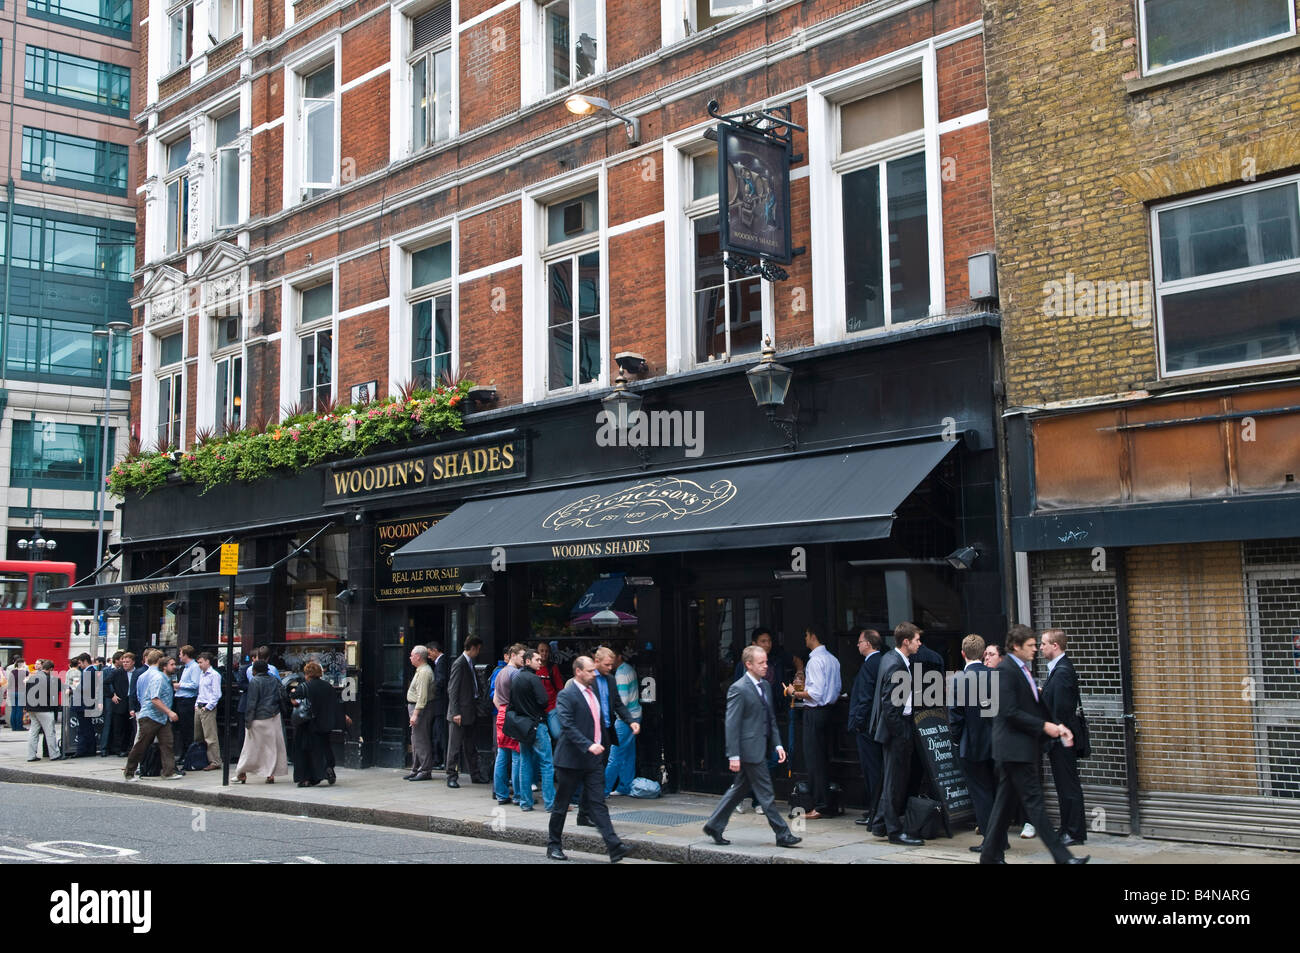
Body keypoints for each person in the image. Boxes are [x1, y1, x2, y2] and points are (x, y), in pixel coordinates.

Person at [979, 625, 1088, 865]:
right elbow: (1008, 712)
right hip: (1013, 748)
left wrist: (1057, 728)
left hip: (1018, 748)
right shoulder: (1006, 670)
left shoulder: (1022, 670)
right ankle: (1063, 858)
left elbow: (1035, 706)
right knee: (1035, 804)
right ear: (1016, 646)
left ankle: (988, 856)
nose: (1036, 649)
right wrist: (1046, 727)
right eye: (1030, 645)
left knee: (1002, 807)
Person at [702, 644, 802, 848]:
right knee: (766, 793)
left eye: (766, 661)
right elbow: (732, 723)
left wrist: (778, 745)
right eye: (761, 663)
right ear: (748, 664)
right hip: (748, 750)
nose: (766, 666)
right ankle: (782, 833)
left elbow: (770, 718)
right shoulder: (738, 688)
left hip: (760, 746)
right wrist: (733, 755)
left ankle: (714, 825)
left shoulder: (764, 685)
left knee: (738, 790)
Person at [546, 656, 630, 863]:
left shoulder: (592, 693)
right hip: (570, 760)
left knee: (598, 803)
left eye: (594, 670)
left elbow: (599, 721)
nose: (594, 674)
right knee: (561, 804)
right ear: (578, 672)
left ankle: (614, 846)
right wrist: (588, 744)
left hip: (593, 760)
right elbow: (567, 725)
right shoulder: (567, 694)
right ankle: (553, 845)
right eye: (590, 671)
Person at [871, 622, 924, 845]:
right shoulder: (896, 665)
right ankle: (894, 831)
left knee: (891, 779)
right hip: (897, 730)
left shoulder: (890, 659)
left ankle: (880, 823)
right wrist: (902, 733)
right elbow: (890, 706)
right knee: (895, 782)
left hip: (896, 727)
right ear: (906, 641)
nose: (920, 643)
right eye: (917, 640)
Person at [949, 634, 1000, 852]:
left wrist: (955, 740)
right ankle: (1000, 838)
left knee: (981, 793)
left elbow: (956, 717)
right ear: (983, 654)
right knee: (996, 791)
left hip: (971, 745)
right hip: (997, 743)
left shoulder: (959, 680)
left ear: (963, 654)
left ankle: (991, 840)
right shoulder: (996, 676)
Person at [580, 646, 640, 825]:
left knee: (596, 773)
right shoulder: (588, 680)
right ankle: (590, 812)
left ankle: (585, 813)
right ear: (596, 661)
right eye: (607, 664)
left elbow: (618, 704)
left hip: (607, 731)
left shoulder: (612, 680)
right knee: (593, 774)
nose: (610, 667)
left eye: (612, 665)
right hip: (591, 734)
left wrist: (630, 721)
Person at [786, 627, 840, 818]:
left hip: (815, 711)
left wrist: (793, 692)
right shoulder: (833, 659)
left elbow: (815, 693)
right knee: (822, 758)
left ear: (813, 636)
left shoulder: (815, 661)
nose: (805, 638)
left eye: (806, 635)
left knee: (814, 760)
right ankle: (824, 802)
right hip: (829, 711)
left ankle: (820, 805)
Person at [1041, 628, 1087, 846]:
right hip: (1060, 737)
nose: (1040, 648)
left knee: (1068, 785)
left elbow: (1061, 710)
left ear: (1055, 646)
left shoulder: (1062, 671)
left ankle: (1074, 832)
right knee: (1063, 784)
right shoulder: (1057, 670)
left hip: (1063, 738)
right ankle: (1067, 827)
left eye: (1043, 644)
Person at [847, 629, 883, 827]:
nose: (858, 645)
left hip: (868, 726)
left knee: (872, 770)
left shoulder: (871, 664)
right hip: (875, 725)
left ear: (868, 643)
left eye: (860, 641)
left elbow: (865, 697)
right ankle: (875, 809)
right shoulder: (880, 662)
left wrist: (858, 722)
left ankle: (875, 810)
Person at [123, 654, 180, 780]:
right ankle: (129, 772)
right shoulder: (158, 678)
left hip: (162, 718)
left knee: (167, 743)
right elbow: (154, 699)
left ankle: (168, 772)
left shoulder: (167, 679)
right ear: (164, 667)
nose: (175, 667)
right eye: (172, 664)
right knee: (141, 745)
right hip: (150, 717)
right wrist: (170, 712)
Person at [510, 648, 551, 811]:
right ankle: (550, 803)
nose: (540, 662)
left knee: (525, 763)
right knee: (547, 764)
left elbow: (512, 702)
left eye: (541, 660)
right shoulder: (534, 679)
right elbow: (544, 700)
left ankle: (525, 802)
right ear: (527, 661)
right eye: (537, 660)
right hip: (537, 724)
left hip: (522, 726)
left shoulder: (517, 677)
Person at [235, 660, 288, 783]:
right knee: (271, 748)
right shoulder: (274, 680)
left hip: (258, 717)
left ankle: (242, 772)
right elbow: (283, 694)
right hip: (274, 716)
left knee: (250, 748)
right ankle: (270, 774)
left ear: (255, 670)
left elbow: (252, 702)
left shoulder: (255, 681)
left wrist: (248, 721)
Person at [445, 637, 485, 788]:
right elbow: (452, 689)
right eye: (478, 649)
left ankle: (475, 774)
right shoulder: (459, 663)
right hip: (459, 713)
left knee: (470, 745)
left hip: (470, 711)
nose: (479, 652)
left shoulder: (469, 663)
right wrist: (455, 712)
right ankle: (451, 775)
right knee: (454, 746)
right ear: (473, 648)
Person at [292, 661, 337, 787]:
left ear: (307, 674)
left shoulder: (304, 686)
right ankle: (328, 767)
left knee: (305, 751)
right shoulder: (328, 686)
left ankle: (306, 778)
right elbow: (334, 703)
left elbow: (294, 698)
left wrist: (293, 693)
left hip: (308, 723)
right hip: (325, 722)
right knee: (324, 747)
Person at [605, 646, 641, 797]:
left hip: (624, 719)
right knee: (628, 754)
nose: (610, 663)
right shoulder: (629, 669)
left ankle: (603, 790)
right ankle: (625, 786)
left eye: (612, 658)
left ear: (619, 657)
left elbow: (623, 701)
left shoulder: (620, 674)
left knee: (615, 756)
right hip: (635, 715)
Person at [493, 643, 526, 805]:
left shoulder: (500, 673)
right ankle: (519, 795)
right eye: (522, 656)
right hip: (513, 714)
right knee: (517, 756)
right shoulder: (516, 674)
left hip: (501, 714)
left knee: (502, 755)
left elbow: (495, 699)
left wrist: (502, 711)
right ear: (513, 655)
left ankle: (501, 794)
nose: (524, 659)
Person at [404, 645, 437, 781]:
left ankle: (424, 770)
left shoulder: (424, 672)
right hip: (417, 708)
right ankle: (416, 768)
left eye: (412, 655)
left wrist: (415, 714)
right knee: (416, 739)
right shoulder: (421, 670)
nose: (410, 657)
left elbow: (422, 696)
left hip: (421, 709)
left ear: (418, 656)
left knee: (421, 739)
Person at [24, 661, 61, 762]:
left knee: (33, 732)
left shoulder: (31, 678)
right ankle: (54, 754)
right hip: (44, 709)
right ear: (51, 669)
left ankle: (31, 755)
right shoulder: (49, 679)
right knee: (50, 732)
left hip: (32, 708)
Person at [193, 652, 222, 770]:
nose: (199, 665)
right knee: (198, 736)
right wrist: (196, 705)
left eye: (200, 662)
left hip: (207, 708)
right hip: (199, 706)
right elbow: (200, 692)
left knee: (210, 736)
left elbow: (216, 694)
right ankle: (200, 759)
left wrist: (208, 706)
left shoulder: (214, 675)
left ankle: (215, 761)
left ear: (207, 661)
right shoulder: (202, 674)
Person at [174, 645, 200, 754]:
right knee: (181, 729)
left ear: (185, 655)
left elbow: (195, 684)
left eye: (180, 654)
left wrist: (180, 685)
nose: (179, 656)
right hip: (180, 699)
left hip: (188, 700)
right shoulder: (185, 667)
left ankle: (188, 754)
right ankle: (183, 753)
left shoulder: (194, 667)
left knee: (187, 728)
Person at [428, 642, 449, 769]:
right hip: (440, 704)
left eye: (429, 653)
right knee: (437, 732)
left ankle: (440, 760)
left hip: (440, 704)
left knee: (439, 732)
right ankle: (439, 759)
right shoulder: (441, 662)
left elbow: (440, 681)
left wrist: (431, 690)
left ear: (435, 650)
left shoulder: (441, 662)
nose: (429, 656)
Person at [6, 657, 25, 731]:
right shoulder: (24, 673)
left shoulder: (12, 672)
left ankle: (13, 727)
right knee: (19, 710)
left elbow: (9, 683)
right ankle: (19, 727)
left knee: (14, 709)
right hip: (21, 692)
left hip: (12, 692)